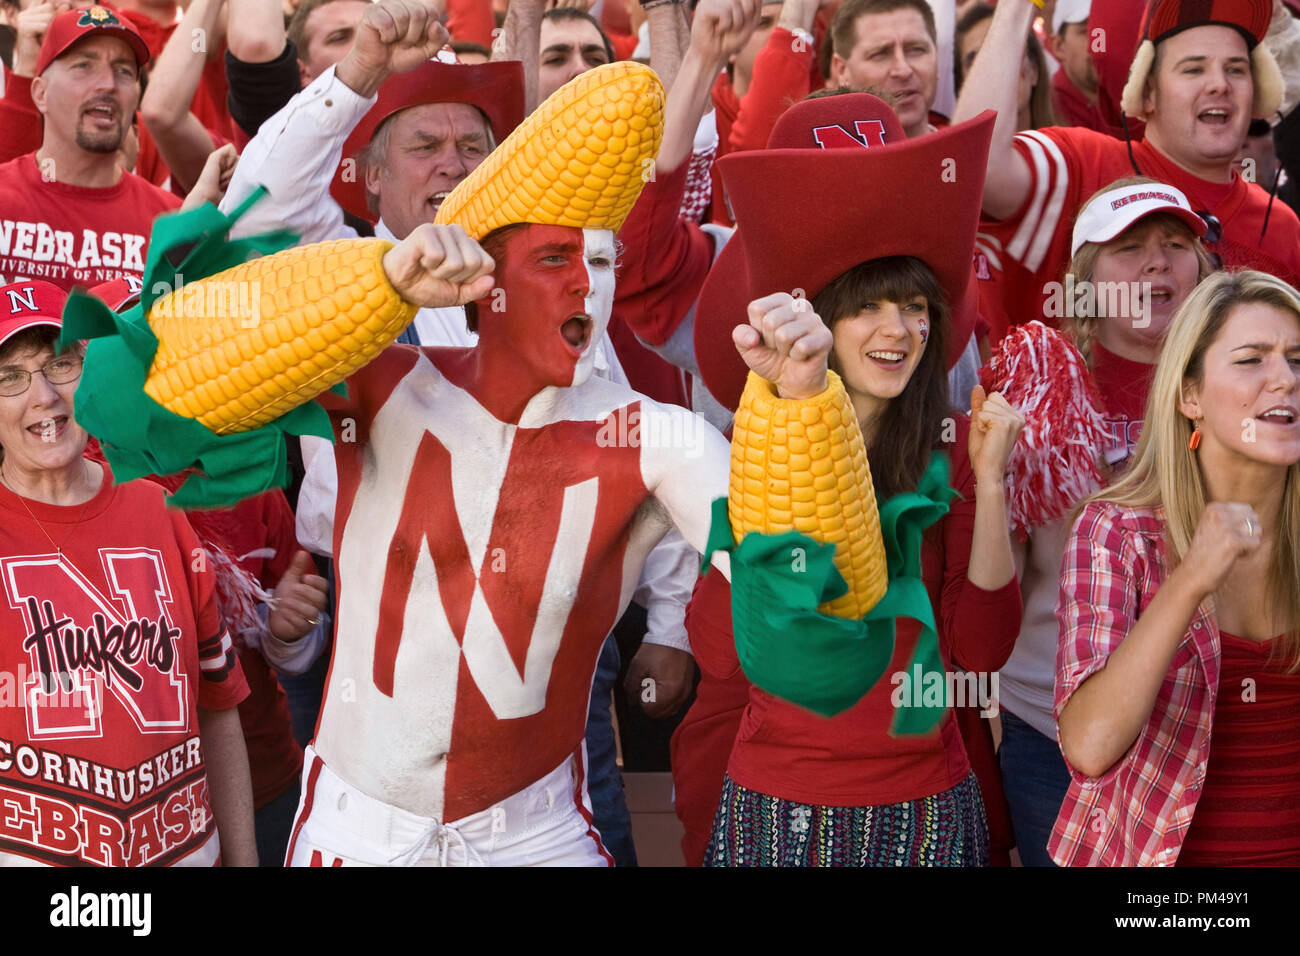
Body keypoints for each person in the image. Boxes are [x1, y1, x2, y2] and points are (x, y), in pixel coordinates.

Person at [70, 57, 877, 867]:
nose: (585, 293)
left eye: (601, 264)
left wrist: (804, 409)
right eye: (556, 261)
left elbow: (818, 628)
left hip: (537, 837)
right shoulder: (382, 384)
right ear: (486, 278)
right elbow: (133, 395)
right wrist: (375, 281)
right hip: (355, 830)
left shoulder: (656, 437)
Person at [686, 93, 1024, 867]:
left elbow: (981, 651)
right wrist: (779, 452)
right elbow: (721, 652)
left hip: (927, 807)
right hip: (775, 801)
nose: (897, 331)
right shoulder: (756, 440)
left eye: (914, 307)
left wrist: (994, 484)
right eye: (867, 308)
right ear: (820, 325)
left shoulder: (958, 448)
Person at [994, 178, 1213, 866]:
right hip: (1058, 729)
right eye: (1130, 248)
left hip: (1207, 719)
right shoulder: (1038, 389)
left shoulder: (1248, 381)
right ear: (1084, 282)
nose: (1157, 262)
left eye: (1176, 245)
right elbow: (995, 575)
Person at [0, 279, 256, 865]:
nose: (43, 396)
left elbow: (218, 708)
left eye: (58, 364)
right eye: (10, 377)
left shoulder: (156, 511)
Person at [1055, 268, 1300, 866]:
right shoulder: (1117, 532)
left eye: (1298, 358)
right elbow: (1089, 746)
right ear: (1190, 395)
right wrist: (1190, 580)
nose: (1285, 379)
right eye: (1251, 360)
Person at [953, 0, 1300, 330]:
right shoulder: (1087, 164)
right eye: (1193, 68)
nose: (1219, 85)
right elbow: (974, 164)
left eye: (1235, 69)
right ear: (1147, 92)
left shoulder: (1283, 228)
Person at [0, 6, 181, 290]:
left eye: (123, 71)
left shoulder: (171, 223)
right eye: (84, 66)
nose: (108, 84)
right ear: (40, 94)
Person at [954, 1, 1054, 131]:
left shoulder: (1072, 147)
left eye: (1005, 52)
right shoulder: (946, 151)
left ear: (1034, 71)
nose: (993, 69)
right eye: (975, 62)